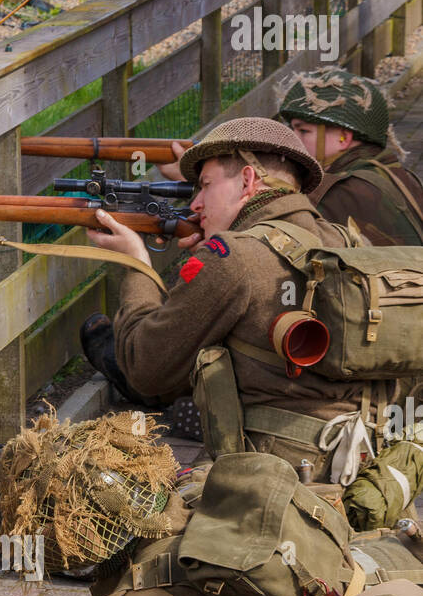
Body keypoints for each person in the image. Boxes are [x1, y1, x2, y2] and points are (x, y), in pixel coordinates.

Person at [84, 116, 420, 483]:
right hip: (369, 466)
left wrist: (136, 264)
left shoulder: (232, 257)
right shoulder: (343, 240)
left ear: (247, 181)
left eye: (206, 185)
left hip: (276, 481)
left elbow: (144, 368)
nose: (196, 203)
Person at [277, 66, 423, 246]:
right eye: (293, 129)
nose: (293, 139)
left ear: (344, 138)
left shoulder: (333, 192)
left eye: (304, 130)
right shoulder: (403, 176)